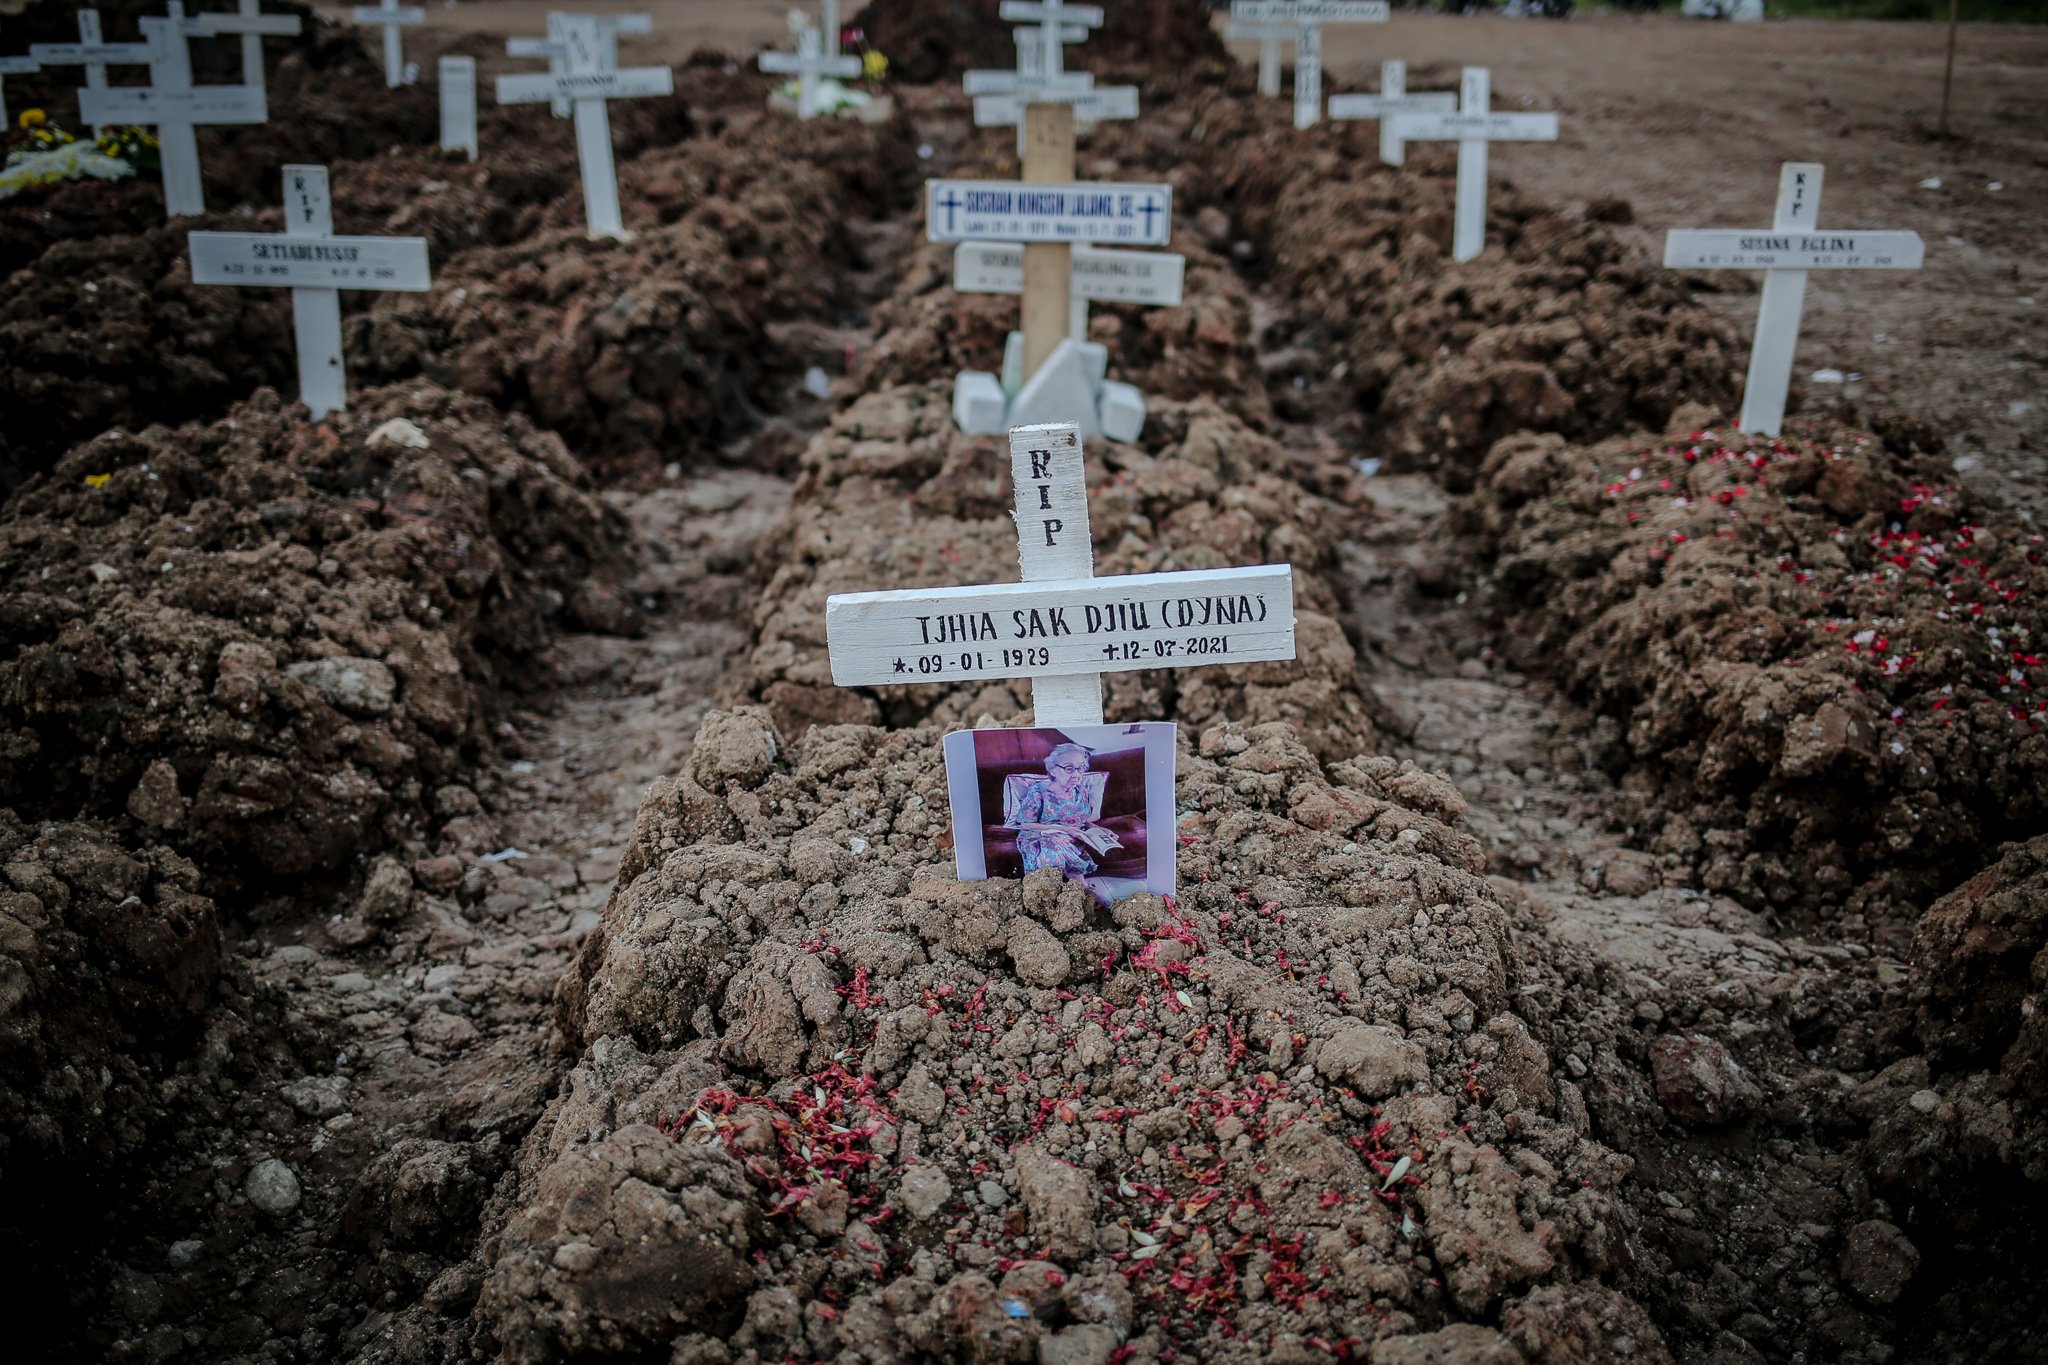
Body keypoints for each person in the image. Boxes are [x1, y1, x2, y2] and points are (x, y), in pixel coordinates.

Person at [1008, 742, 1113, 879]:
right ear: (1053, 770)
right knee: (1051, 845)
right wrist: (1063, 829)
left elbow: (1082, 821)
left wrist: (1100, 830)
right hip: (1040, 834)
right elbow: (1025, 824)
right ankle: (1081, 885)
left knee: (1058, 844)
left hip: (1071, 836)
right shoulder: (1038, 791)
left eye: (1081, 768)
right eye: (1069, 769)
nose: (1076, 775)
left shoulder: (1081, 792)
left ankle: (1073, 885)